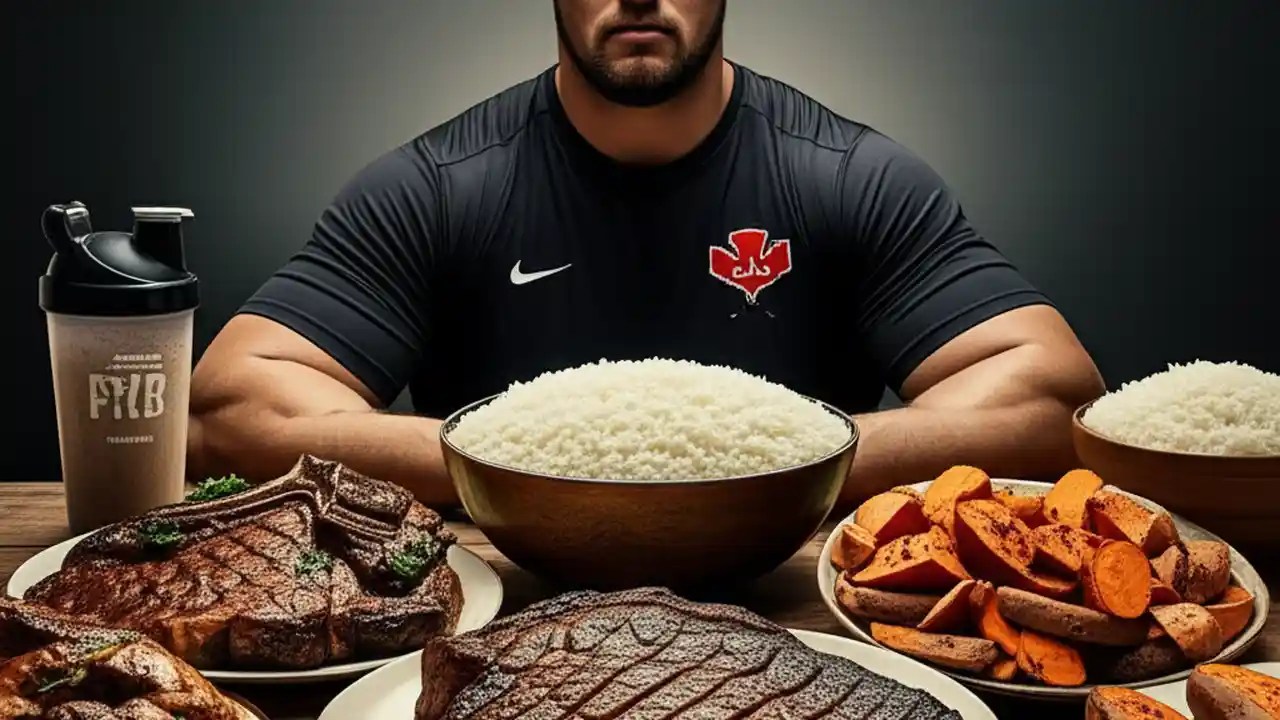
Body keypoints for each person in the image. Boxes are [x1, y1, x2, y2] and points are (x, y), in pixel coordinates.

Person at [188, 0, 1105, 508]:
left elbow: (1053, 397)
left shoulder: (847, 176)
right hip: (498, 613)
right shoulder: (440, 185)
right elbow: (231, 409)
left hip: (796, 610)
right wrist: (525, 466)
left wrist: (764, 464)